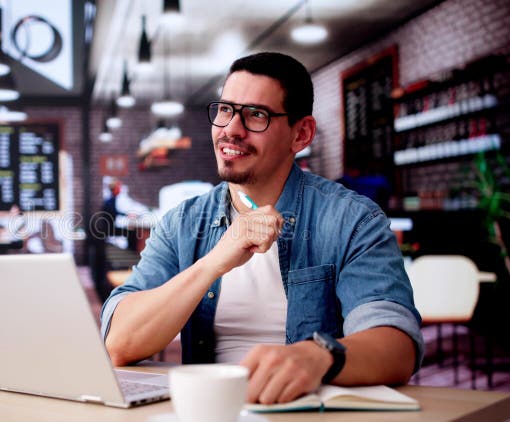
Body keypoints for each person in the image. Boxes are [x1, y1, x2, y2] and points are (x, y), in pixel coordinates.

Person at [100, 52, 423, 405]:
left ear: (301, 134)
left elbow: (397, 345)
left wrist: (318, 357)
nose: (231, 130)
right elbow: (120, 343)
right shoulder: (182, 223)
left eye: (257, 115)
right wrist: (214, 262)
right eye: (225, 110)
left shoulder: (352, 220)